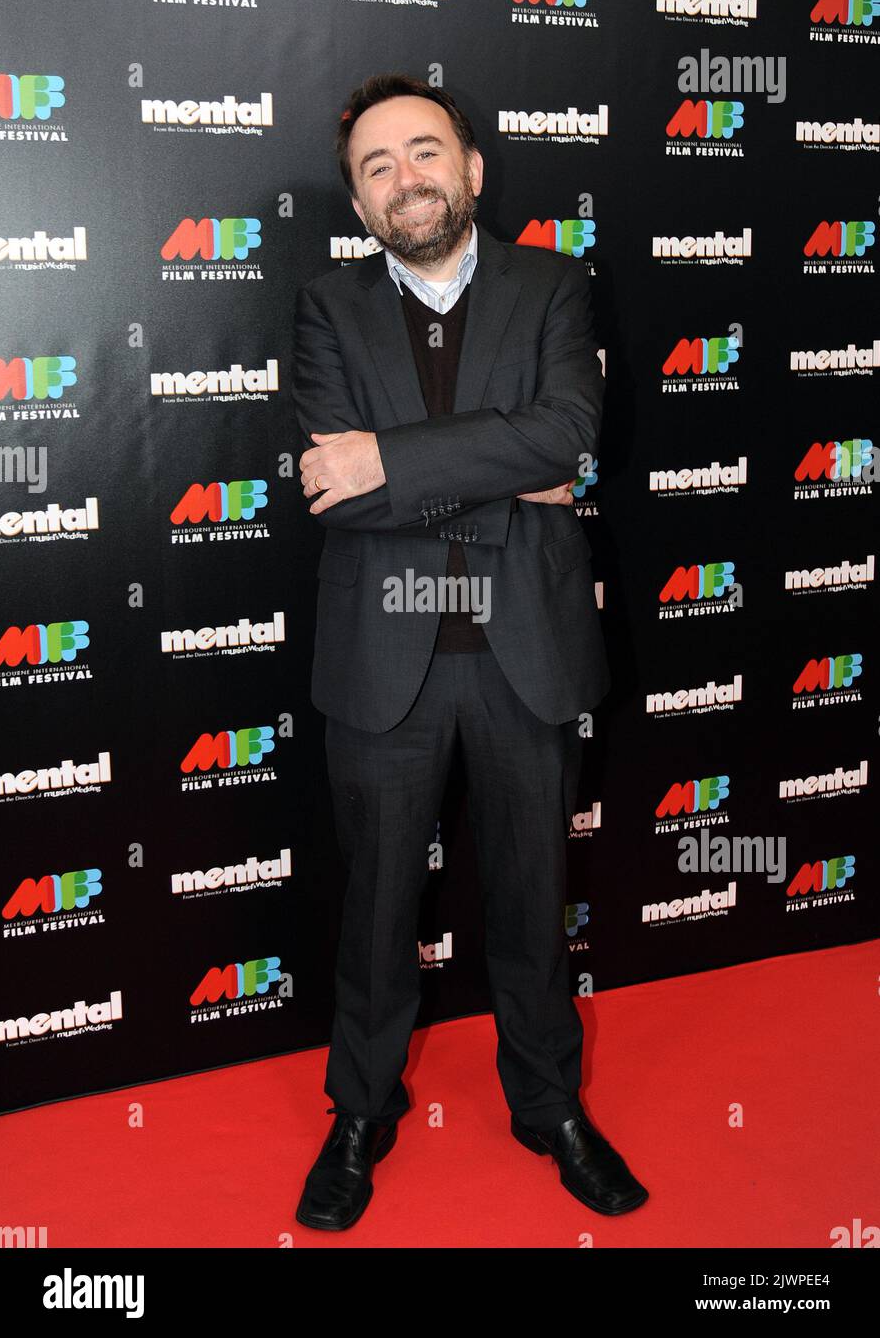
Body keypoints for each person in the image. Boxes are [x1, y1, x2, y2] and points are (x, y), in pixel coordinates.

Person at [289, 72, 648, 1231]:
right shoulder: (326, 308)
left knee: (533, 902)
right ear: (357, 202)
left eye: (424, 152)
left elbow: (567, 436)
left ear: (472, 169)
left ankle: (547, 1107)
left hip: (523, 654)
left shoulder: (552, 285)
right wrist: (513, 480)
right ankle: (360, 1108)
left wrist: (392, 460)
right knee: (376, 905)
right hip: (380, 661)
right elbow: (333, 500)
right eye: (377, 167)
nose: (407, 178)